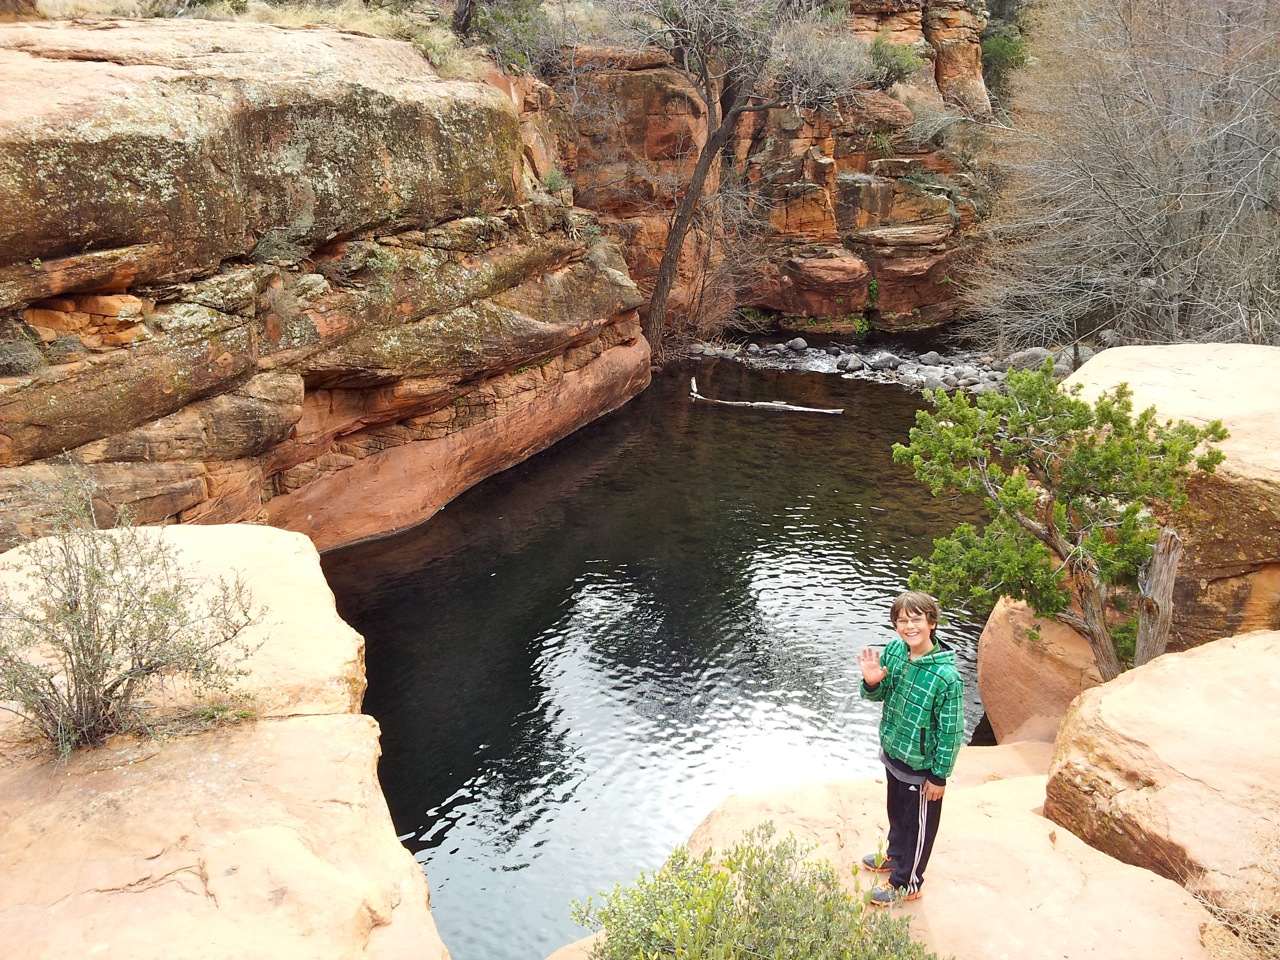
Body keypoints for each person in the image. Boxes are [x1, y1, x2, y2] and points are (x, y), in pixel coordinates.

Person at [857, 590, 964, 905]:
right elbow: (878, 696)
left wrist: (939, 775)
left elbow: (951, 732)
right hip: (894, 752)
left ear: (931, 622)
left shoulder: (946, 677)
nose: (909, 626)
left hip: (922, 767)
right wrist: (872, 682)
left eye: (916, 619)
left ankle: (908, 881)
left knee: (918, 825)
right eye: (902, 621)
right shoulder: (894, 651)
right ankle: (896, 855)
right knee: (897, 812)